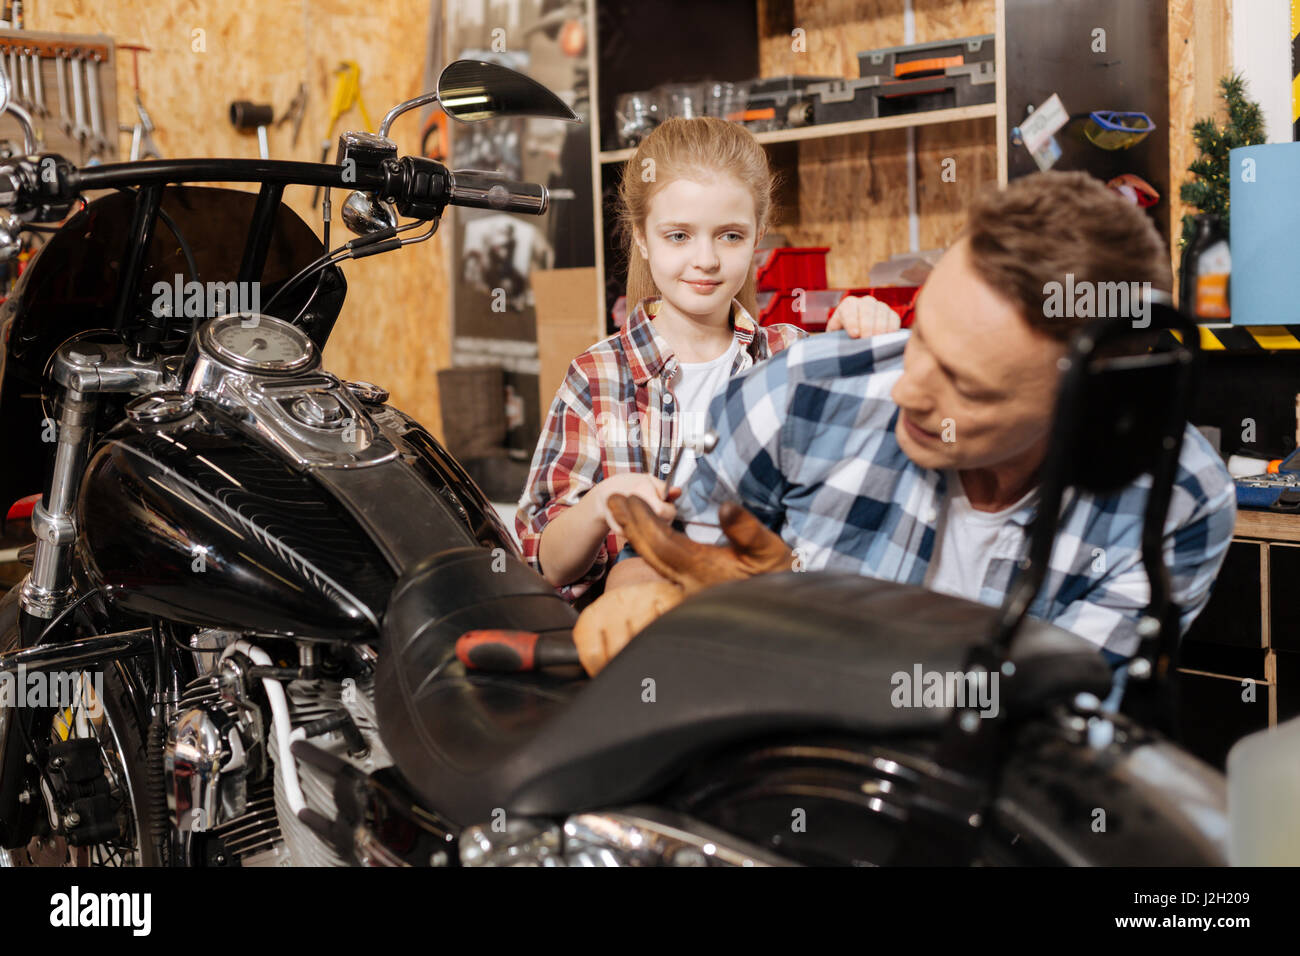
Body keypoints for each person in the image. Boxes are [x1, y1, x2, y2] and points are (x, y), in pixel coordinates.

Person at [572, 170, 1236, 676]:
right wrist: (630, 600)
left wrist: (802, 621)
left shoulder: (1174, 503)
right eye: (920, 339)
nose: (909, 391)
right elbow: (661, 559)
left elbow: (1037, 716)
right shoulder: (801, 393)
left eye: (967, 387)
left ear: (1096, 406)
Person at [515, 115, 899, 602]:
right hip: (643, 638)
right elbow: (542, 561)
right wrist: (599, 506)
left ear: (758, 235)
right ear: (641, 236)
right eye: (679, 235)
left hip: (773, 625)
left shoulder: (791, 356)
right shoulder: (596, 377)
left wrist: (862, 339)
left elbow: (862, 478)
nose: (707, 259)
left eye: (730, 235)